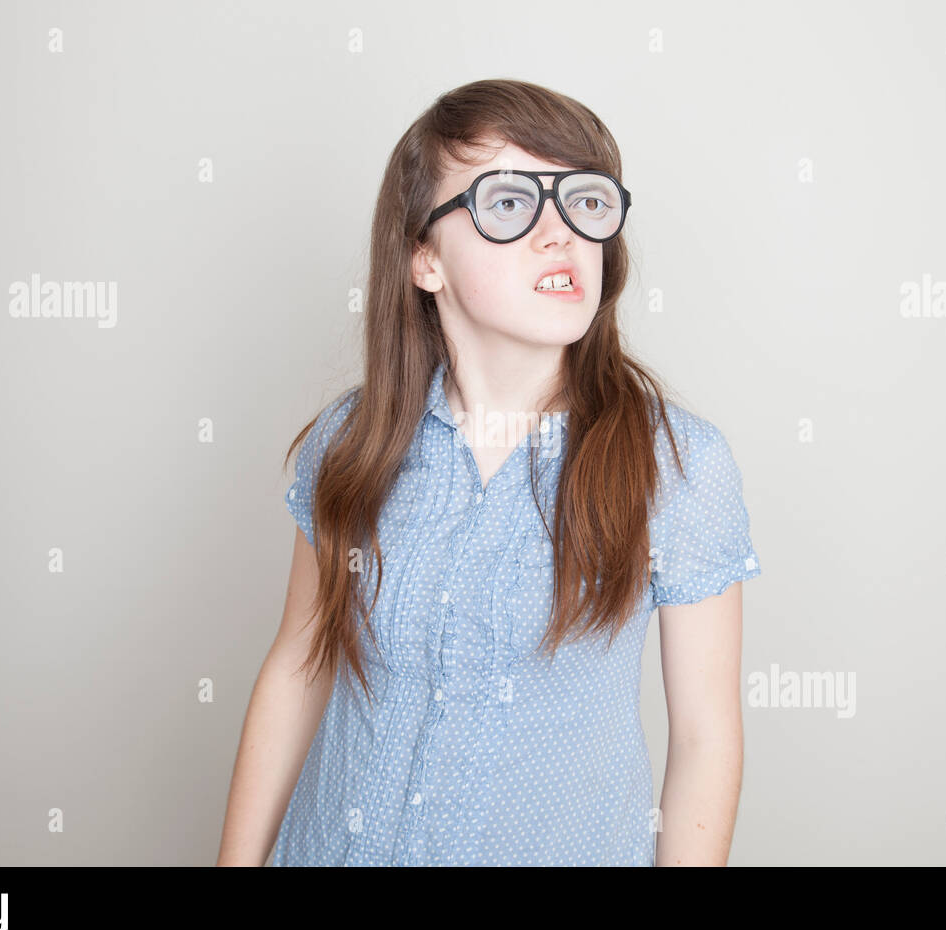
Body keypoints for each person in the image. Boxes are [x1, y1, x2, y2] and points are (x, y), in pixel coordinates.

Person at [217, 78, 761, 867]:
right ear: (424, 258)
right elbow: (298, 665)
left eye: (585, 202)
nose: (562, 235)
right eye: (508, 204)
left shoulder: (678, 465)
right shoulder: (351, 442)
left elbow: (707, 740)